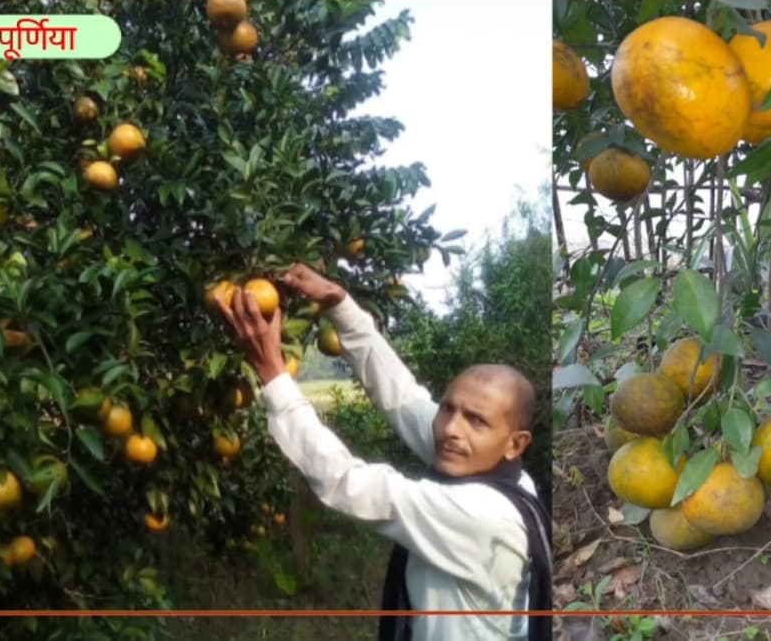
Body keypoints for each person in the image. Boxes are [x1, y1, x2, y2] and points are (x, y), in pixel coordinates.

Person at [216, 263, 552, 641]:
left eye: (476, 421)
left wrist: (274, 376)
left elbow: (347, 481)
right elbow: (404, 398)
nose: (451, 429)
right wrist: (339, 304)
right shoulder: (500, 471)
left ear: (516, 443)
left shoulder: (481, 514)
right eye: (447, 408)